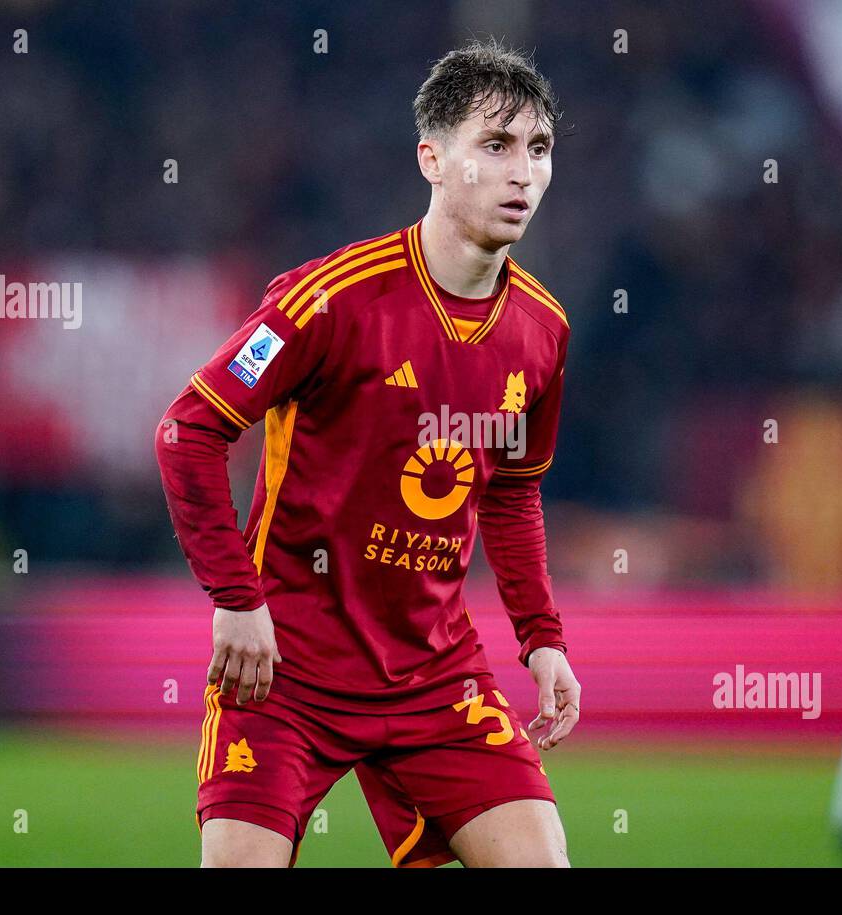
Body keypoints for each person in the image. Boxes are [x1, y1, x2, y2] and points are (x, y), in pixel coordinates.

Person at [155, 39, 580, 868]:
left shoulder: (543, 331)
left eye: (538, 149)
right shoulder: (331, 299)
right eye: (494, 147)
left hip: (435, 676)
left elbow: (512, 492)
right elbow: (188, 430)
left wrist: (542, 637)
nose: (521, 173)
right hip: (285, 672)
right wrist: (237, 599)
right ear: (432, 157)